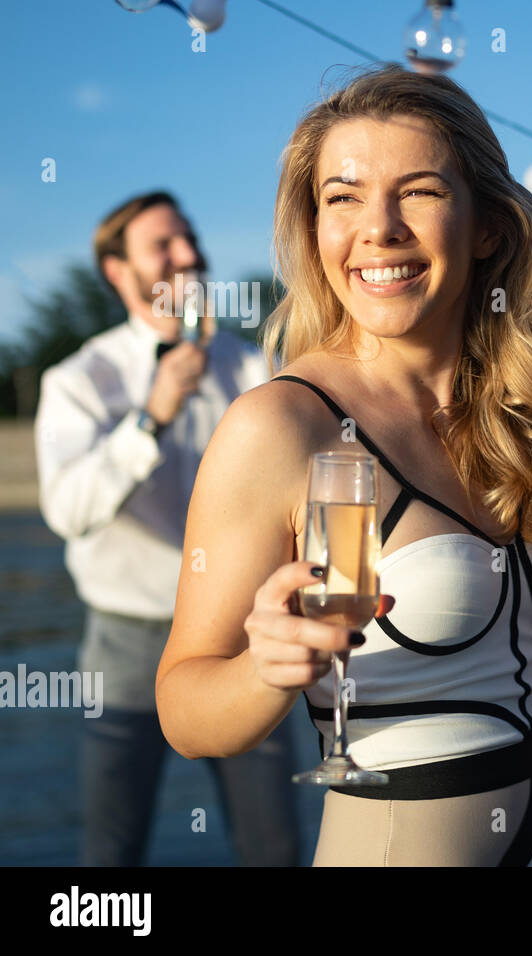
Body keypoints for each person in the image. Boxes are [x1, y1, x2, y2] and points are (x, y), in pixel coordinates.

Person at [153, 66, 532, 867]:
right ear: (314, 227)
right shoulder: (279, 425)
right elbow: (184, 709)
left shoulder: (513, 411)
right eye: (343, 197)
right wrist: (266, 668)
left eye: (421, 192)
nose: (380, 227)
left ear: (488, 227)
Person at [34, 191, 300, 866]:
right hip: (124, 644)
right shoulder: (78, 381)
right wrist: (150, 417)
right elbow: (67, 512)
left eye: (189, 238)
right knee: (111, 853)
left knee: (274, 845)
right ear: (116, 271)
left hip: (242, 638)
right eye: (163, 245)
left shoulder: (251, 368)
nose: (188, 255)